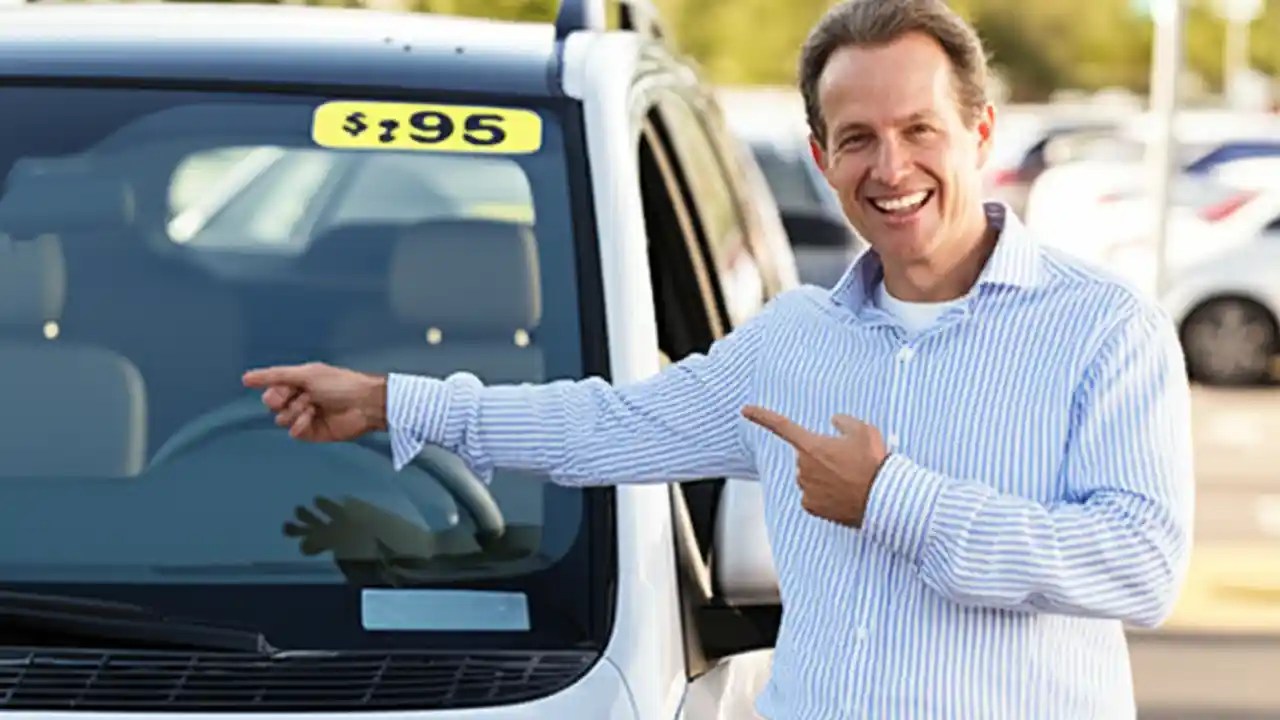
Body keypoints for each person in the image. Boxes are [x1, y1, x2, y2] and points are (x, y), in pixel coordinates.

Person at [242, 0, 1195, 716]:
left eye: (919, 131)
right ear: (822, 160)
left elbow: (1139, 567)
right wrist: (388, 401)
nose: (891, 169)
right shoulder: (795, 341)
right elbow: (602, 425)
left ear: (980, 133)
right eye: (857, 139)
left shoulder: (1104, 330)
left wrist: (892, 498)